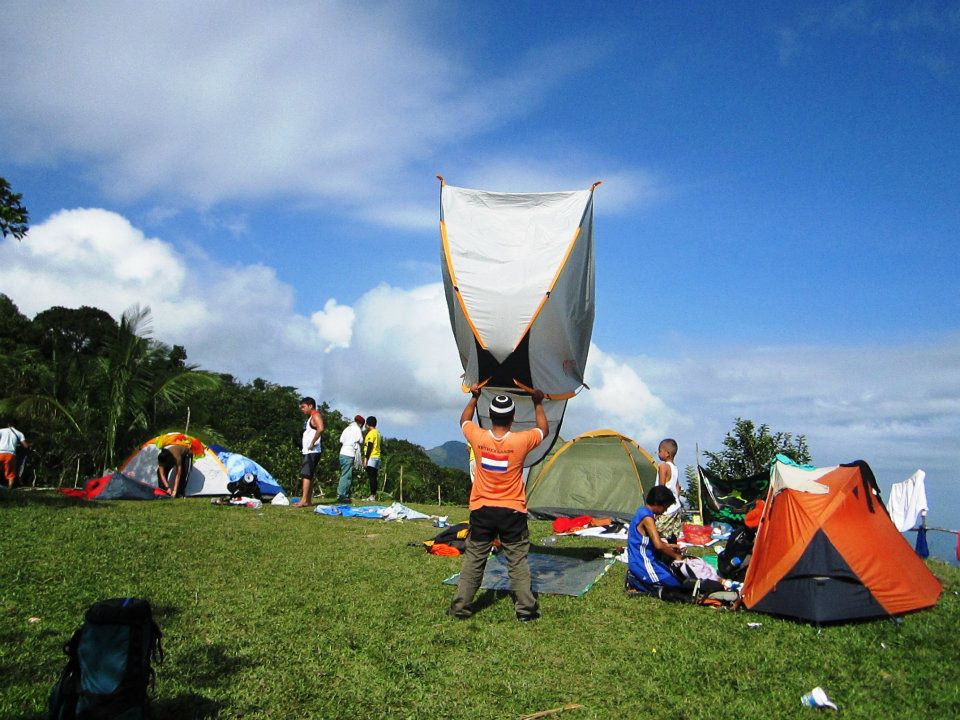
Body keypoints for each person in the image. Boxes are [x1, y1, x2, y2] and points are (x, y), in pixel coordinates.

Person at [447, 386, 547, 622]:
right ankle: (526, 610)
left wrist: (474, 397)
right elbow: (544, 429)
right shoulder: (522, 440)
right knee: (517, 561)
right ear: (513, 418)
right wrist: (537, 402)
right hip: (512, 511)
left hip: (482, 510)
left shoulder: (478, 437)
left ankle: (460, 608)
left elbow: (464, 420)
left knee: (474, 560)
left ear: (490, 416)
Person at [626, 485, 723, 599]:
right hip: (642, 563)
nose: (665, 511)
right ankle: (635, 580)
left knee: (675, 580)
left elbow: (649, 542)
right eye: (665, 508)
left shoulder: (642, 511)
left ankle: (637, 579)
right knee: (676, 589)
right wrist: (677, 557)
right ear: (657, 504)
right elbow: (658, 545)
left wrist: (672, 546)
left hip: (641, 561)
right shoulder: (647, 517)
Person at [294, 397, 325, 507]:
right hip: (310, 451)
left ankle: (303, 500)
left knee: (306, 475)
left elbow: (321, 428)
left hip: (312, 451)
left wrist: (313, 442)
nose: (302, 409)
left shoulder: (315, 415)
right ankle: (308, 500)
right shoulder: (311, 417)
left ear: (310, 406)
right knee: (309, 475)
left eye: (303, 407)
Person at [655, 438, 683, 538]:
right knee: (672, 536)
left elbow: (661, 489)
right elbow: (677, 487)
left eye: (660, 451)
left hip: (666, 509)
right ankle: (673, 548)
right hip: (676, 507)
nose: (658, 453)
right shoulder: (674, 468)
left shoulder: (663, 466)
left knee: (655, 533)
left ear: (667, 453)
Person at [337, 414, 365, 503]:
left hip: (343, 452)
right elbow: (361, 440)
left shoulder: (347, 428)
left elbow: (341, 440)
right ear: (361, 424)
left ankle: (344, 493)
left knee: (344, 473)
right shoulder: (357, 429)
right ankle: (342, 495)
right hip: (349, 453)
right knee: (347, 475)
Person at [0, 421, 28, 489]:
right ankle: (10, 488)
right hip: (11, 455)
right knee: (11, 473)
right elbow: (26, 446)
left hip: (0, 453)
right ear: (16, 425)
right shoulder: (19, 433)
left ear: (8, 424)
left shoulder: (1, 430)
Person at [362, 416, 381, 502]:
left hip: (372, 457)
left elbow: (370, 446)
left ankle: (372, 496)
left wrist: (366, 458)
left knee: (372, 477)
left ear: (368, 424)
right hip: (377, 456)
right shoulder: (377, 433)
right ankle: (373, 495)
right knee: (374, 477)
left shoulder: (371, 433)